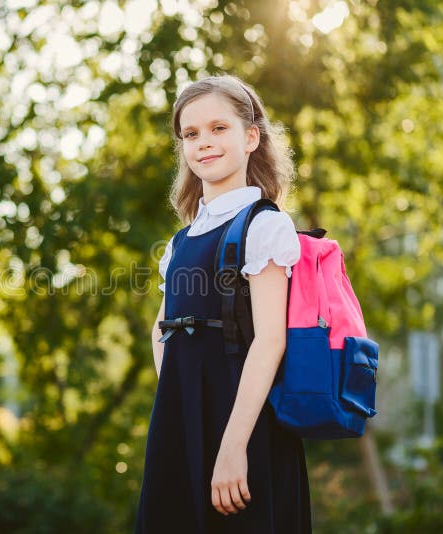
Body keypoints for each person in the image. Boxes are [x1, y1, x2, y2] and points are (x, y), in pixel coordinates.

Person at [134, 74, 312, 533]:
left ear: (251, 137)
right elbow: (162, 330)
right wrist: (179, 403)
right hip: (182, 422)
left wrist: (234, 446)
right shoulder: (179, 241)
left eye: (218, 128)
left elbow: (270, 341)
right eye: (190, 134)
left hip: (245, 427)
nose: (203, 143)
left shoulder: (265, 226)